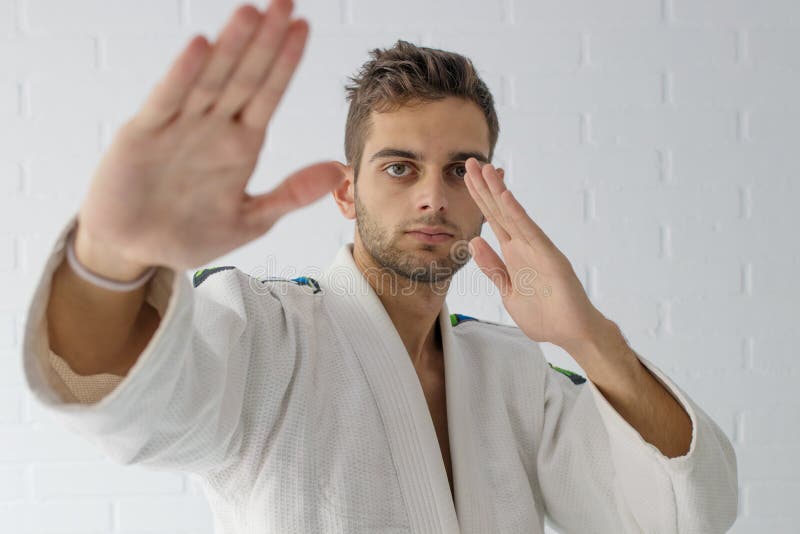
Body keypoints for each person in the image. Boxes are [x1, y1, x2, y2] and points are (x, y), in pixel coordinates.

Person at [22, 0, 739, 532]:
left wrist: (588, 338)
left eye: (462, 170)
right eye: (400, 167)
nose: (433, 195)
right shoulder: (267, 332)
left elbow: (678, 513)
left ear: (491, 191)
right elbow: (136, 405)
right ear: (346, 191)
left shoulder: (515, 373)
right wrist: (112, 260)